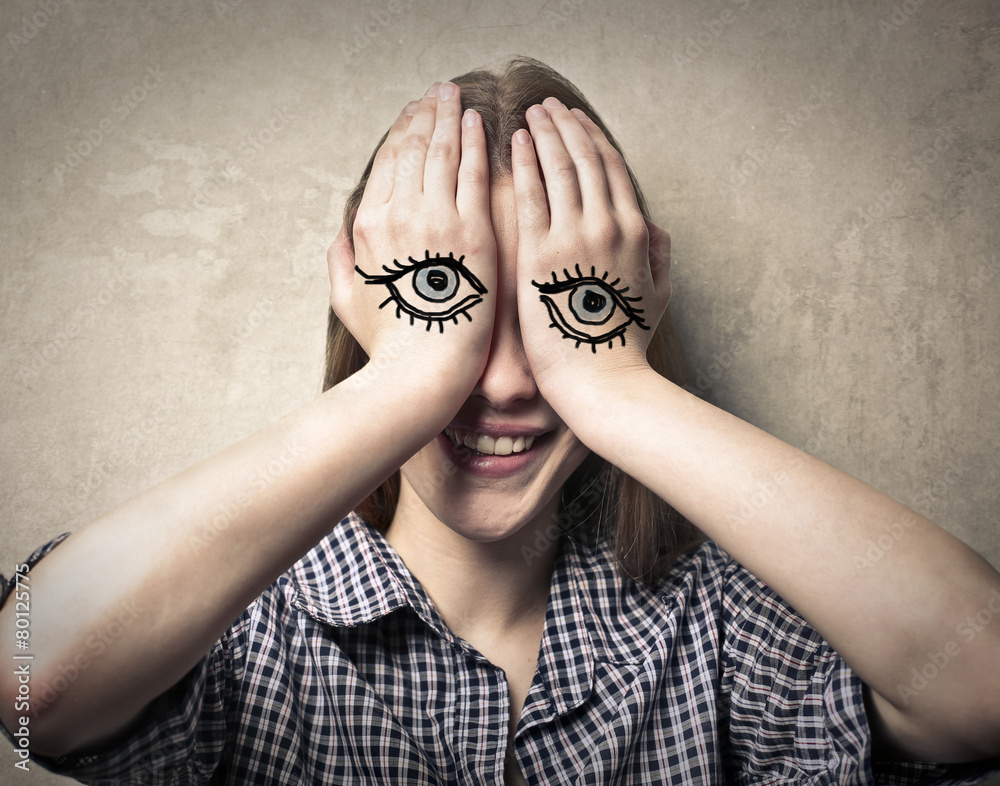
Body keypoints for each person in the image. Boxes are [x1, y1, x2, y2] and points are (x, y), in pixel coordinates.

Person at [1, 56, 998, 785]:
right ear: (359, 298)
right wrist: (406, 382)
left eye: (564, 308)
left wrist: (612, 385)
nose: (512, 381)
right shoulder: (239, 620)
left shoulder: (719, 623)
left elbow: (981, 687)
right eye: (446, 296)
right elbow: (24, 685)